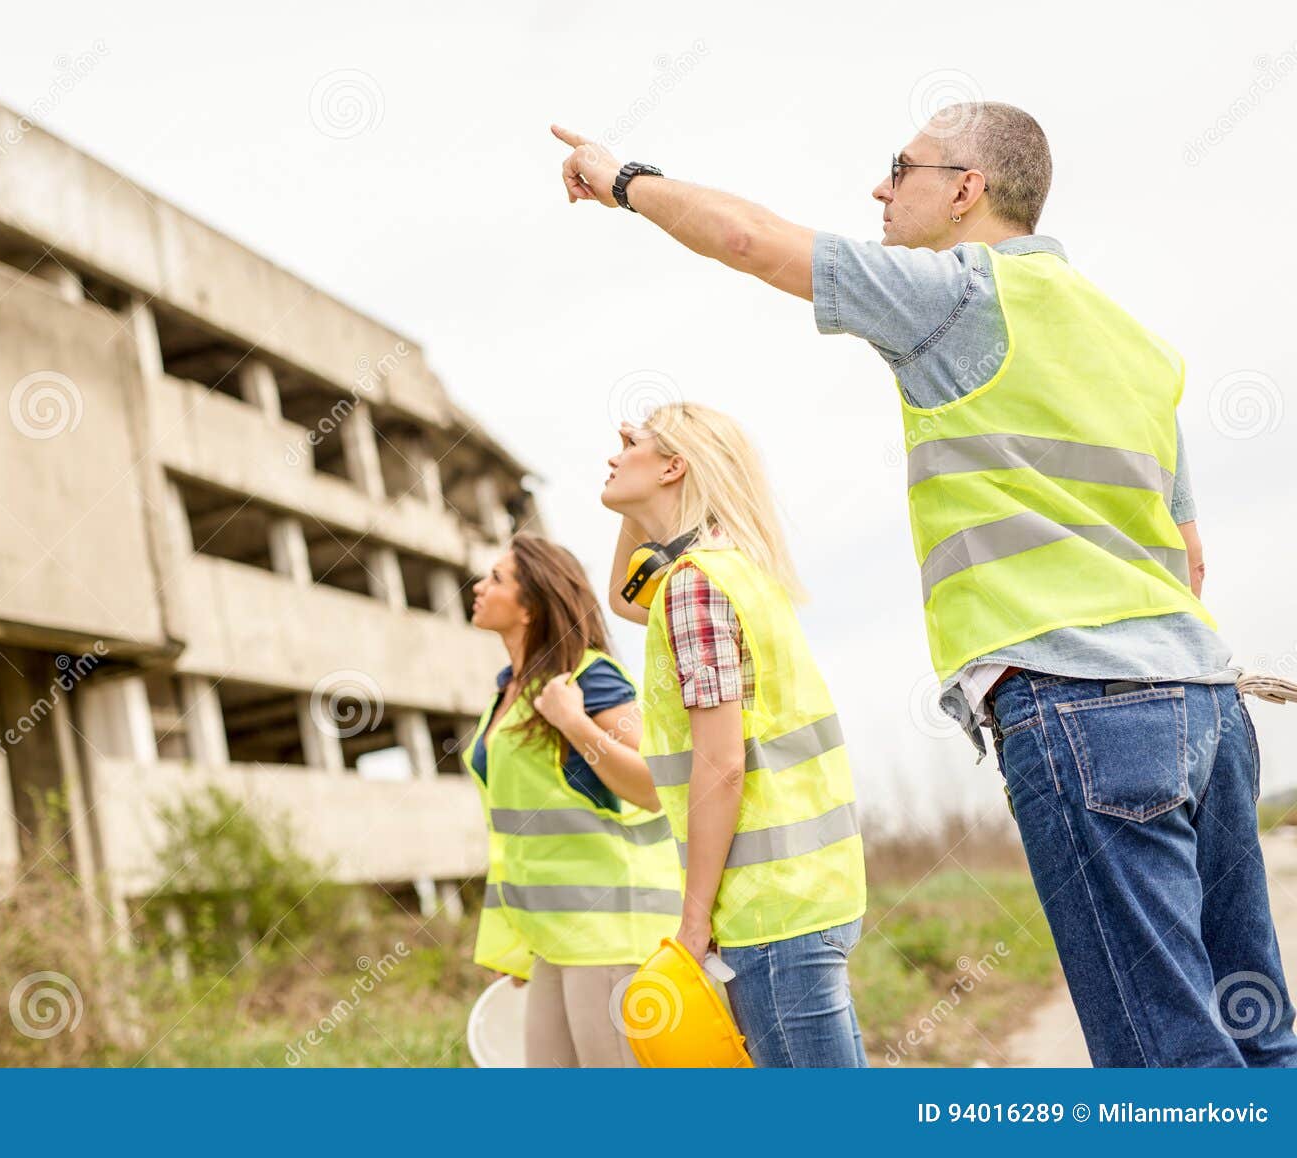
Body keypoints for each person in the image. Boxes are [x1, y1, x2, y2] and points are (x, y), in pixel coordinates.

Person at [551, 101, 1297, 1067]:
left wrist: (621, 181)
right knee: (1258, 1034)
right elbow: (1188, 557)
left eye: (899, 167)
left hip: (1085, 706)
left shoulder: (955, 294)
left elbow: (747, 238)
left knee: (1168, 1061)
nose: (879, 188)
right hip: (1209, 708)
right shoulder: (1138, 346)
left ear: (966, 189)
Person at [602, 401, 867, 1067]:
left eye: (630, 446)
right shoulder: (731, 570)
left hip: (769, 911)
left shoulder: (695, 587)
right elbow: (623, 599)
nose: (611, 456)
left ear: (673, 464)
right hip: (813, 893)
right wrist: (642, 503)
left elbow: (719, 767)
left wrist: (694, 922)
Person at [465, 533, 682, 1067]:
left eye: (496, 578)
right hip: (552, 940)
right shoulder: (507, 691)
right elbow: (516, 840)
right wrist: (513, 946)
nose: (477, 587)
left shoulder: (591, 679)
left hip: (610, 935)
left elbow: (655, 787)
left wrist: (573, 721)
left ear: (531, 605)